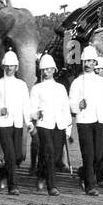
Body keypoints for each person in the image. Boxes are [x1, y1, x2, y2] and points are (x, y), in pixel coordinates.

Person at [69, 45, 103, 195]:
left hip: (99, 121)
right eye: (86, 62)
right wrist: (77, 105)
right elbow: (71, 102)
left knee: (98, 155)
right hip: (84, 121)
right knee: (88, 154)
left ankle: (83, 174)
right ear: (82, 62)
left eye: (92, 62)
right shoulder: (77, 82)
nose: (88, 65)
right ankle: (90, 185)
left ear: (95, 63)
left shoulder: (101, 83)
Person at [0, 50, 31, 194]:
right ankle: (13, 186)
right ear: (3, 67)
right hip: (3, 124)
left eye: (12, 66)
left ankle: (3, 172)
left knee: (18, 155)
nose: (9, 68)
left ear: (17, 67)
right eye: (7, 66)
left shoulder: (21, 85)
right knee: (10, 155)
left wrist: (29, 122)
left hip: (18, 123)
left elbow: (26, 105)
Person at [31, 54, 71, 196]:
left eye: (49, 69)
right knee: (49, 152)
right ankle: (51, 186)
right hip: (44, 124)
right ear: (41, 71)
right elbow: (32, 109)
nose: (47, 72)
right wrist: (36, 114)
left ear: (54, 70)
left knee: (54, 156)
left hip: (59, 125)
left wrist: (68, 129)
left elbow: (65, 109)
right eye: (44, 69)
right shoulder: (37, 88)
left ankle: (41, 173)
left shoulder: (61, 88)